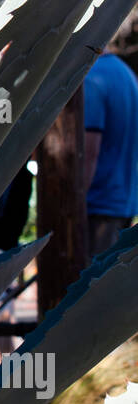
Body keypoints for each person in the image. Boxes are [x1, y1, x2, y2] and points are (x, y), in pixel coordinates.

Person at [84, 49, 138, 257]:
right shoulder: (126, 74)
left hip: (97, 205)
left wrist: (74, 206)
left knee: (91, 285)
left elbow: (89, 152)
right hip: (123, 202)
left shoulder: (92, 79)